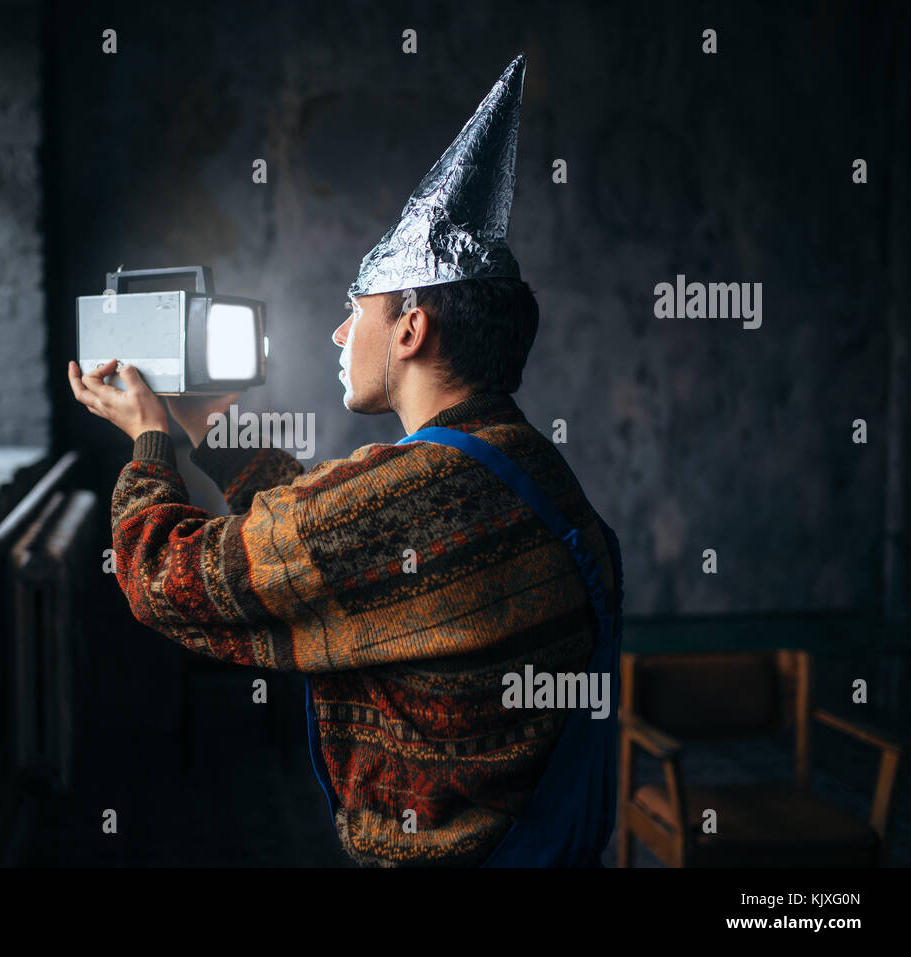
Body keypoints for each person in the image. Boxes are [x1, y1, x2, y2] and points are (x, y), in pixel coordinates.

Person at [68, 54, 623, 867]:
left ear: (409, 328)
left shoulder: (409, 493)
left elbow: (162, 575)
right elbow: (345, 542)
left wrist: (150, 440)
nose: (337, 334)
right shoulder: (525, 466)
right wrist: (204, 437)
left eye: (351, 310)